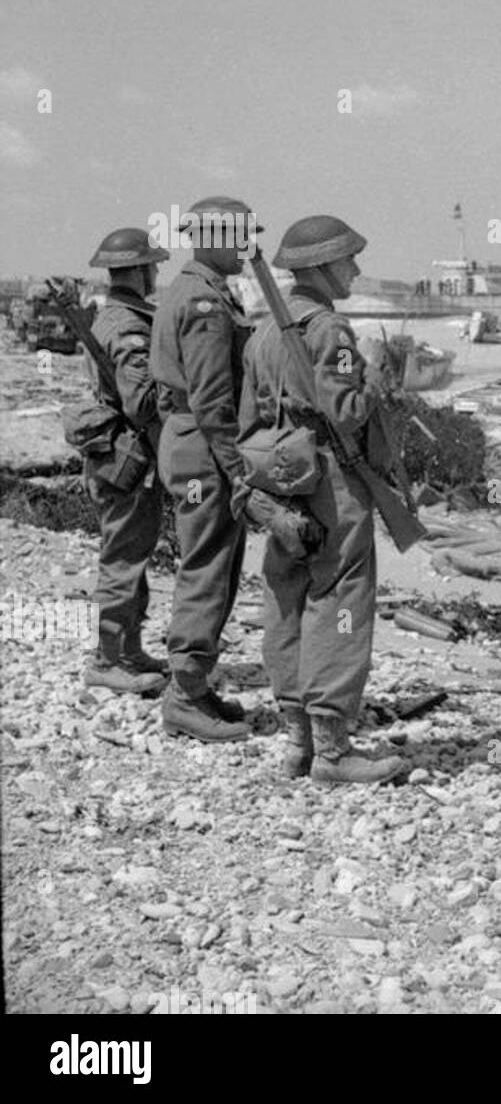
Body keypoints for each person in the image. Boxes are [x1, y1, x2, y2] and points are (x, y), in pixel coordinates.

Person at [240, 215, 402, 784]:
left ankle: (296, 743)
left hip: (282, 481)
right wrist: (378, 376)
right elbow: (347, 411)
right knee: (338, 604)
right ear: (321, 266)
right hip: (333, 484)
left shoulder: (262, 332)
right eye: (347, 259)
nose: (355, 268)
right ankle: (333, 751)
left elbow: (247, 424)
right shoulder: (330, 330)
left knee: (286, 602)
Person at [150, 197, 260, 742]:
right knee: (207, 568)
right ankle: (185, 695)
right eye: (240, 237)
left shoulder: (201, 291)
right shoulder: (204, 303)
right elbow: (214, 398)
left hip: (194, 442)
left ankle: (195, 686)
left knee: (213, 563)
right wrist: (239, 469)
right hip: (205, 449)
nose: (247, 249)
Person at [81, 229, 171, 695]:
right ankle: (108, 659)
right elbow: (142, 403)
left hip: (118, 456)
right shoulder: (130, 325)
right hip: (128, 459)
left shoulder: (110, 316)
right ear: (138, 270)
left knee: (131, 556)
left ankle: (129, 650)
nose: (157, 273)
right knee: (122, 560)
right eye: (152, 266)